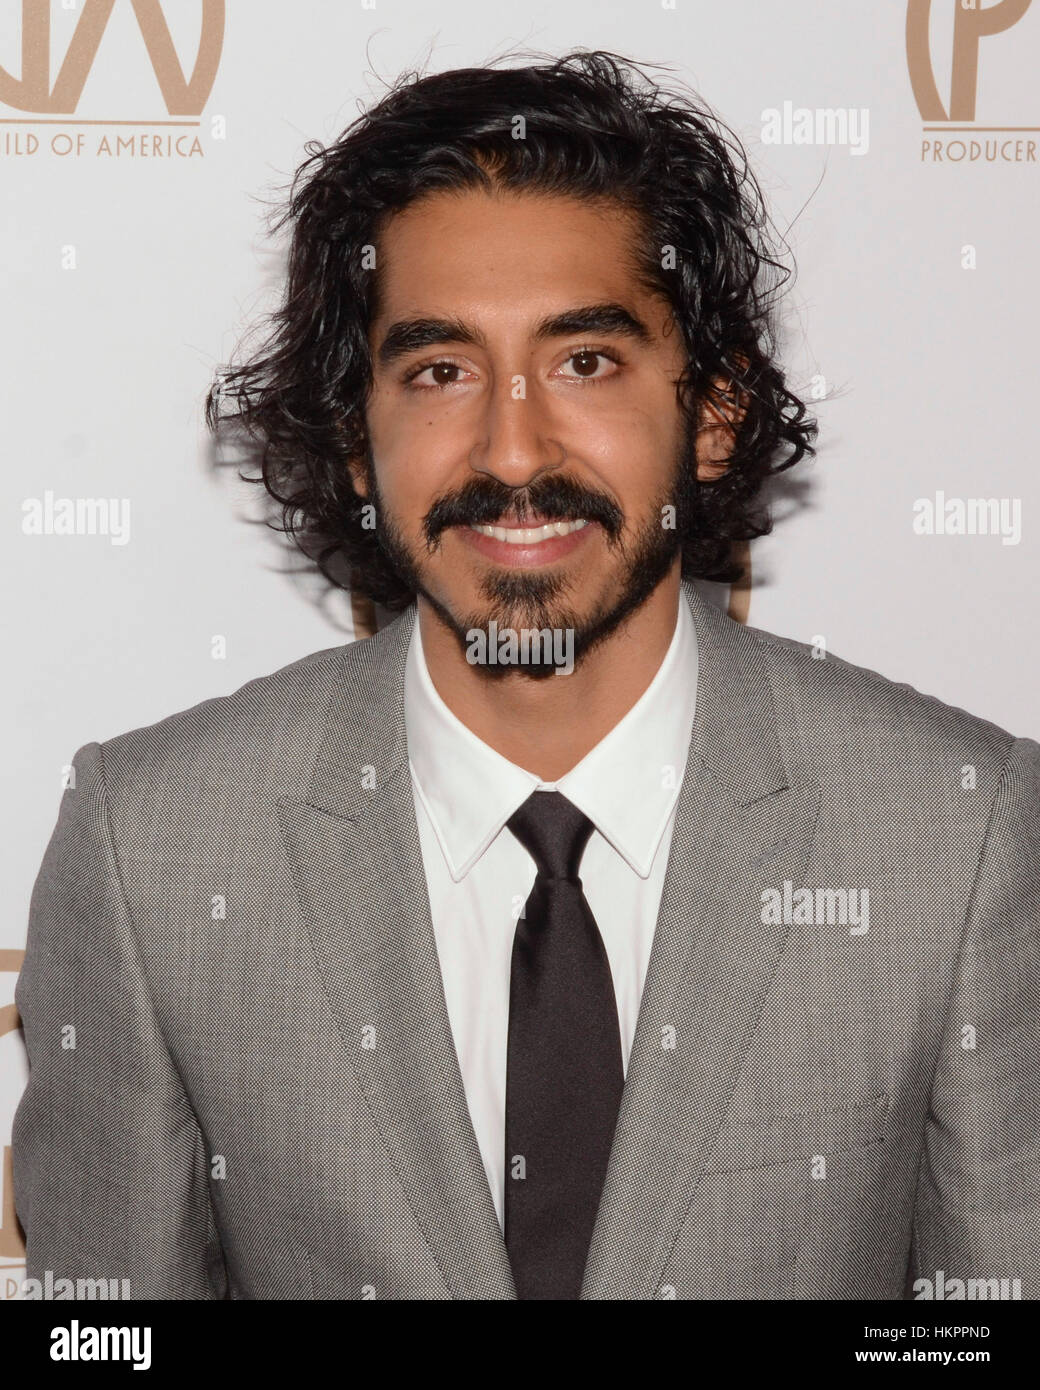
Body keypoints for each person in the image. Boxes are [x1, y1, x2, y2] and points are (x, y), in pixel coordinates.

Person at [14, 51, 1040, 1301]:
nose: (511, 447)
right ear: (354, 439)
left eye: (584, 362)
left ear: (711, 414)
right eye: (439, 371)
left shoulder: (955, 832)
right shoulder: (156, 849)